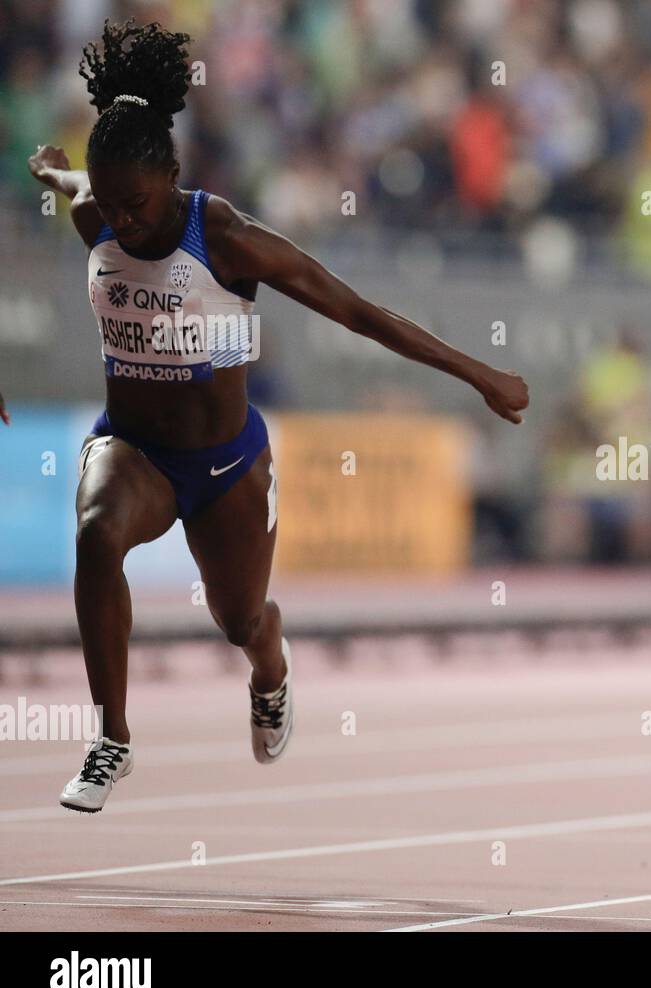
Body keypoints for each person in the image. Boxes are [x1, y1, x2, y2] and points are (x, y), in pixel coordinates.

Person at [24, 20, 528, 813]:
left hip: (225, 464)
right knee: (95, 531)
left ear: (174, 175)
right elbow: (80, 190)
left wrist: (477, 373)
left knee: (240, 618)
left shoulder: (221, 236)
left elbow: (356, 311)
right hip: (136, 449)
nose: (124, 221)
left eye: (138, 203)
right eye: (110, 203)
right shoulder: (99, 212)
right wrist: (55, 175)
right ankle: (111, 738)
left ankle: (271, 668)